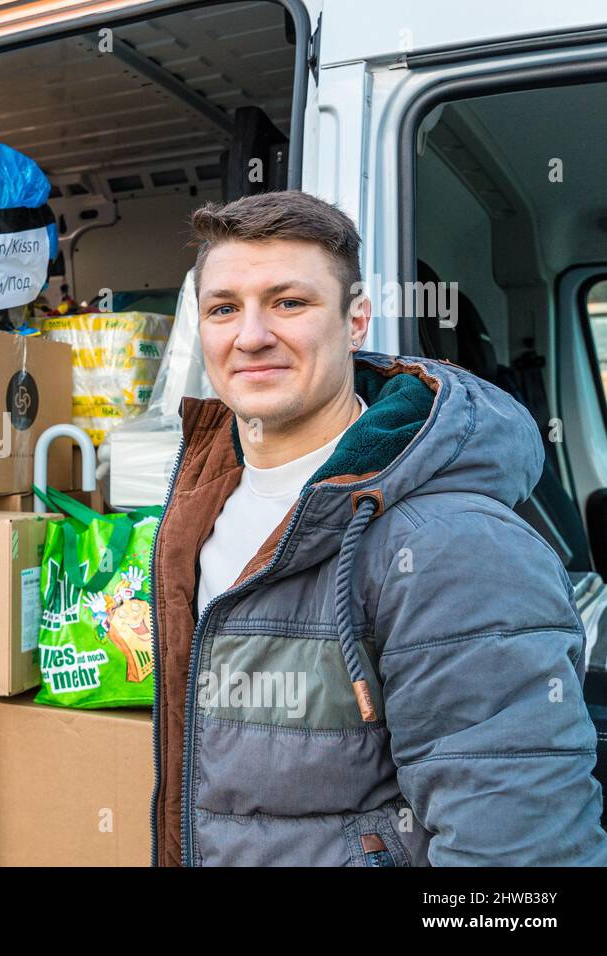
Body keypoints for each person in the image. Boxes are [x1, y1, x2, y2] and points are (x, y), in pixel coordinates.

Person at [150, 190, 607, 866]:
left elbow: (521, 855)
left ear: (356, 320)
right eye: (224, 309)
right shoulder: (197, 502)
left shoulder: (455, 541)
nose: (250, 336)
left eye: (289, 302)